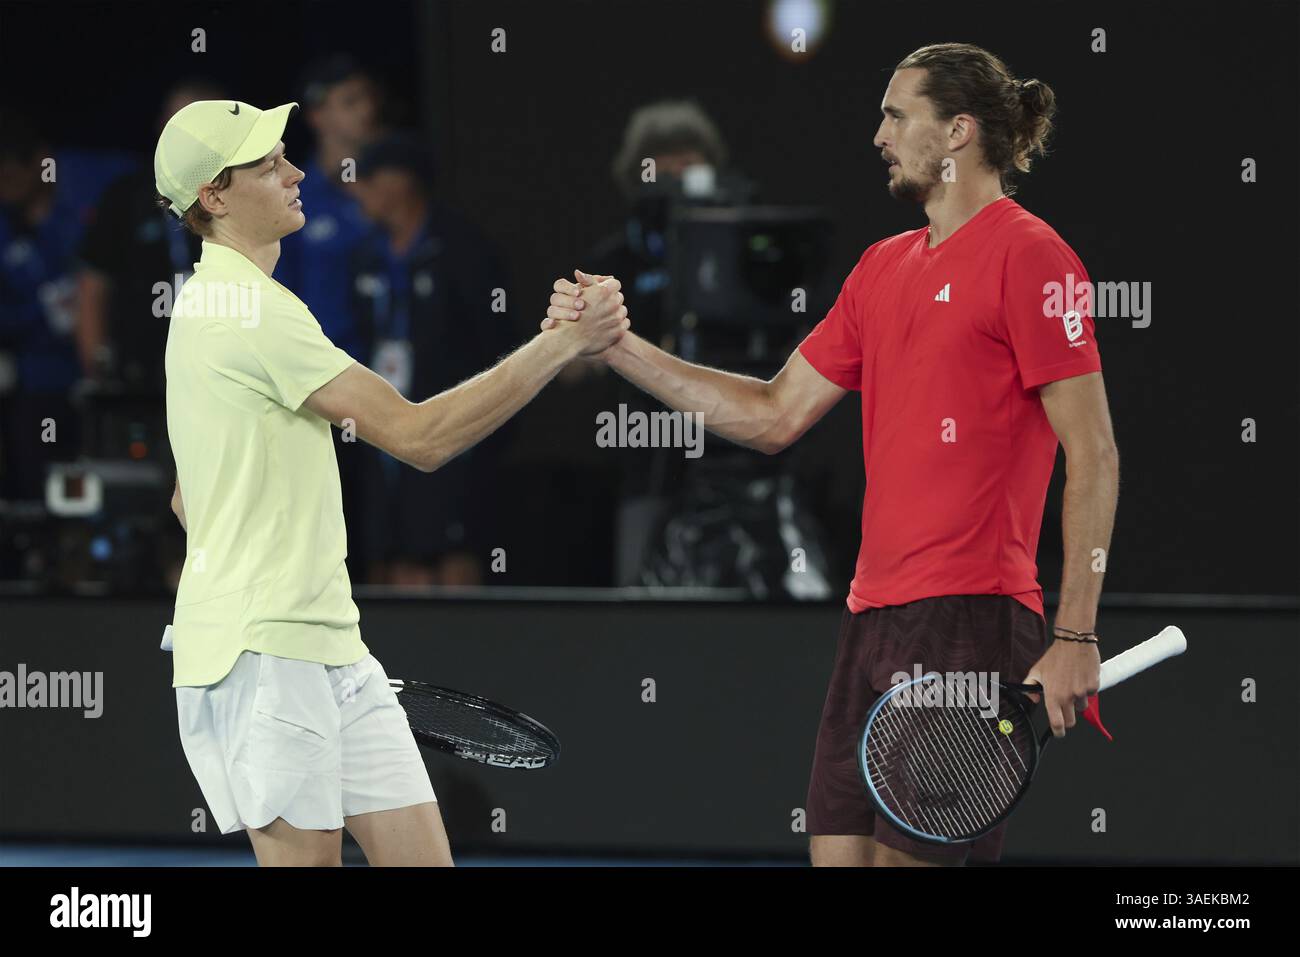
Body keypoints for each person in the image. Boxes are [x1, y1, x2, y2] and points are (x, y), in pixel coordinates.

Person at [545, 43, 1118, 867]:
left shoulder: (1032, 257)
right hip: (870, 622)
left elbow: (1093, 453)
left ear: (958, 131)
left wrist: (1077, 632)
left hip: (970, 617)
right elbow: (772, 412)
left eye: (896, 115)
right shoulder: (881, 267)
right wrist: (618, 346)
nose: (877, 133)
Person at [157, 98, 627, 866]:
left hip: (329, 649)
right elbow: (422, 437)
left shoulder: (214, 303)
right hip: (267, 660)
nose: (296, 170)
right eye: (269, 162)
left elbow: (187, 497)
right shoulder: (247, 310)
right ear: (213, 194)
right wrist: (563, 343)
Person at [349, 133, 513, 586]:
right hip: (382, 427)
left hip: (453, 430)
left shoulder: (464, 251)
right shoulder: (365, 256)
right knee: (391, 557)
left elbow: (500, 349)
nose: (356, 189)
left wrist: (483, 435)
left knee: (453, 554)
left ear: (400, 183)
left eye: (367, 178)